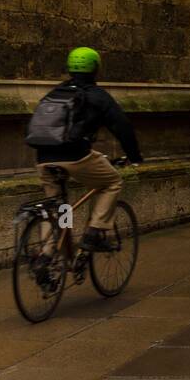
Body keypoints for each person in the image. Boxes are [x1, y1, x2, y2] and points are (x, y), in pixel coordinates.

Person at [27, 47, 143, 250]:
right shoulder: (98, 96)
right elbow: (122, 127)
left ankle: (47, 255)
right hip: (75, 157)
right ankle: (95, 232)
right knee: (112, 182)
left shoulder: (56, 92)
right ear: (96, 69)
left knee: (56, 205)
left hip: (43, 157)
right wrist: (135, 156)